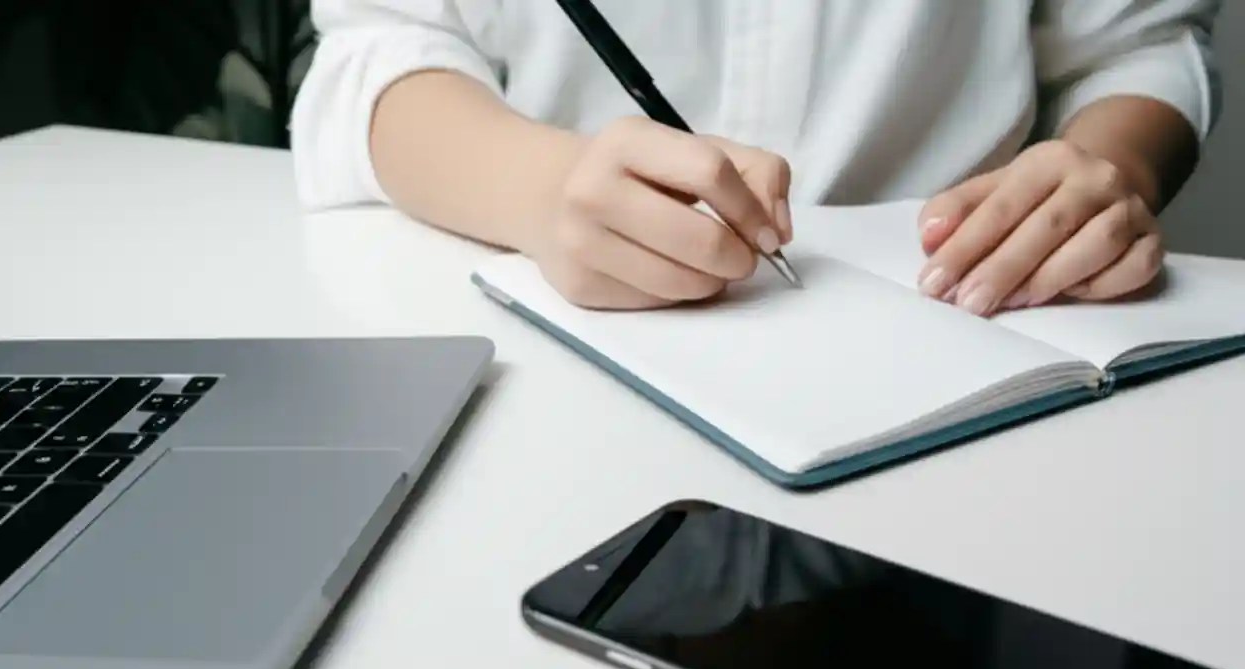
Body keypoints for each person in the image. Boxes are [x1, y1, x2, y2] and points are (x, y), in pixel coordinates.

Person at [291, 1, 1221, 315]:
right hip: (558, 346)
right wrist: (541, 190)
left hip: (974, 317)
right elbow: (382, 43)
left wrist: (1110, 171)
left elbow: (1137, 45)